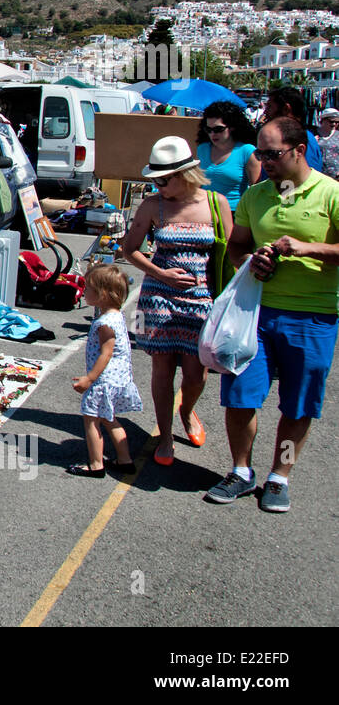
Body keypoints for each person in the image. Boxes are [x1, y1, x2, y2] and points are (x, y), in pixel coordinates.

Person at [206, 118, 339, 513]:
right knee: (240, 396)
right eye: (260, 153)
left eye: (272, 154)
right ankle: (241, 471)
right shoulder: (256, 195)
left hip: (313, 316)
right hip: (255, 313)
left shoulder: (330, 193)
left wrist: (307, 248)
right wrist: (253, 261)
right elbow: (238, 247)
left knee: (298, 404)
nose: (264, 162)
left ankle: (279, 477)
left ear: (299, 150)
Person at [120, 136, 230, 466]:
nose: (157, 185)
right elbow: (129, 249)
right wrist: (162, 274)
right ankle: (165, 434)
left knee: (196, 374)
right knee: (162, 369)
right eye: (154, 179)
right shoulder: (153, 206)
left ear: (185, 174)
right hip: (159, 297)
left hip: (202, 299)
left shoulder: (215, 203)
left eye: (163, 179)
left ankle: (187, 410)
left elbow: (228, 254)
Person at [69, 265, 142, 477]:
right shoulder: (116, 316)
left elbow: (106, 354)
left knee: (91, 420)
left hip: (104, 381)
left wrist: (89, 379)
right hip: (117, 377)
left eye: (88, 289)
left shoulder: (104, 324)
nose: (84, 292)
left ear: (101, 294)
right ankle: (125, 460)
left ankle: (95, 464)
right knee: (109, 419)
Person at [196, 100, 261, 212]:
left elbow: (257, 190)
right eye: (208, 129)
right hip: (205, 211)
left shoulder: (247, 151)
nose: (212, 134)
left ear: (232, 127)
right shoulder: (202, 149)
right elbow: (198, 184)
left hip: (235, 212)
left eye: (218, 129)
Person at [259, 88, 323, 174]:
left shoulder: (303, 139)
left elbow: (306, 178)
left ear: (286, 109)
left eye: (270, 107)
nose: (265, 112)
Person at [315, 107, 339, 177]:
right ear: (322, 121)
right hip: (319, 173)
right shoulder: (313, 134)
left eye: (337, 122)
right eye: (331, 122)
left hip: (336, 174)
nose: (334, 124)